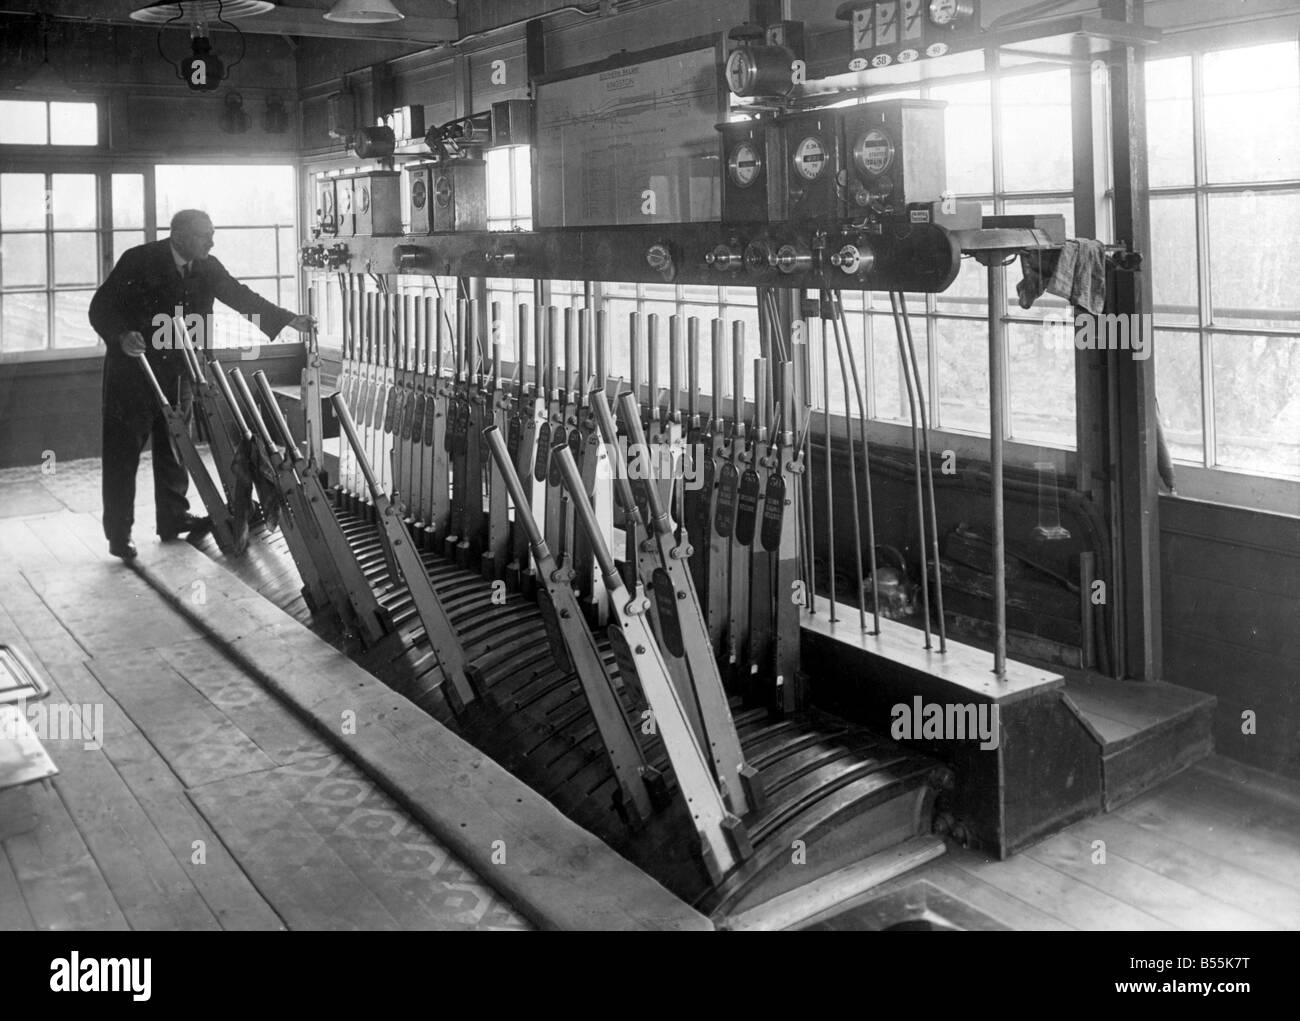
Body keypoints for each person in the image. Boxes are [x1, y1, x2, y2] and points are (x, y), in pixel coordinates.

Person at [89, 209, 314, 560]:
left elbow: (241, 296)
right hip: (133, 372)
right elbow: (100, 306)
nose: (211, 241)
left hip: (181, 371)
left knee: (176, 448)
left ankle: (173, 518)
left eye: (212, 233)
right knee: (123, 455)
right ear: (178, 235)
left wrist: (288, 319)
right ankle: (119, 535)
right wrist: (120, 335)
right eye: (202, 235)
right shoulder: (139, 260)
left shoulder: (207, 264)